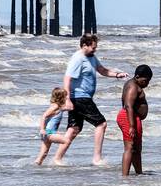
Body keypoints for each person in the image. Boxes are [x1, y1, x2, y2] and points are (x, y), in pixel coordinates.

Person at [53, 33, 128, 167]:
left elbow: (102, 70)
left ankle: (57, 159)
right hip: (80, 97)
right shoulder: (78, 58)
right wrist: (67, 99)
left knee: (74, 129)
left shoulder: (91, 57)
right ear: (84, 46)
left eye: (95, 47)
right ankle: (97, 158)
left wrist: (117, 75)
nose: (95, 50)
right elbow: (67, 79)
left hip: (83, 97)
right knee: (101, 124)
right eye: (93, 47)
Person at [118, 65, 152, 177]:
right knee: (130, 147)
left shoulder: (135, 85)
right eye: (145, 80)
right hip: (128, 117)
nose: (147, 83)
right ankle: (125, 177)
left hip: (133, 117)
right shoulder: (133, 86)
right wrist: (132, 125)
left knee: (137, 148)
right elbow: (128, 105)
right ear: (137, 77)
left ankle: (139, 174)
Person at [34, 87, 74, 166]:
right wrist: (42, 129)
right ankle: (57, 159)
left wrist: (69, 101)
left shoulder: (58, 107)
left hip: (48, 133)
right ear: (60, 97)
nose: (66, 97)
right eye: (65, 96)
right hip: (48, 132)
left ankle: (35, 166)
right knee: (67, 141)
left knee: (43, 154)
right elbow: (43, 116)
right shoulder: (54, 107)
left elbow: (70, 108)